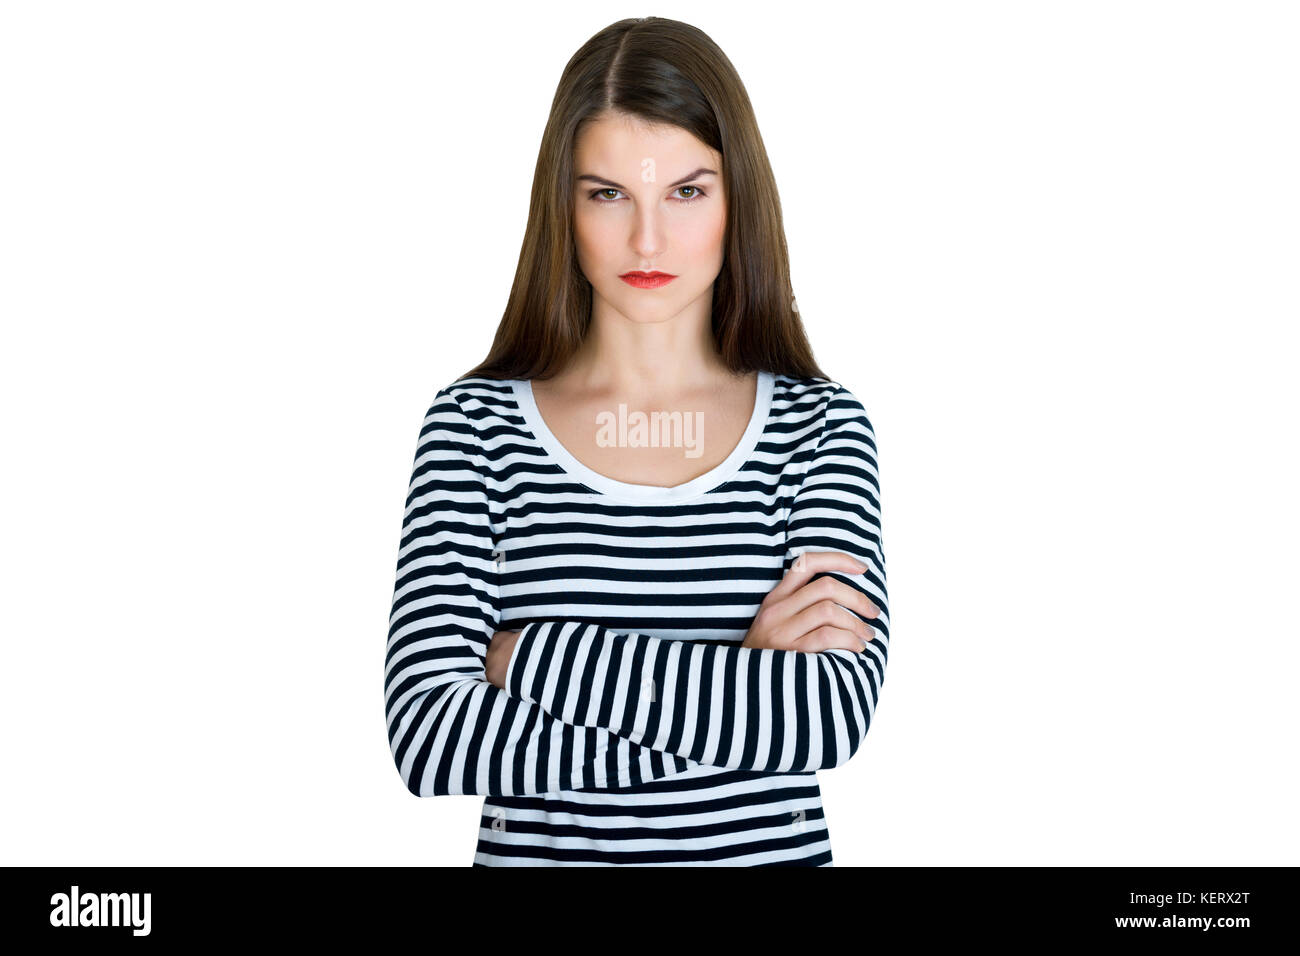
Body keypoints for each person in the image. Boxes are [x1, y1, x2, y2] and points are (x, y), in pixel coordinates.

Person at [383, 16, 889, 866]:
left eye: (686, 192)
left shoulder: (821, 428)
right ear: (563, 205)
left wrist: (533, 657)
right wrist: (740, 689)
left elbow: (825, 719)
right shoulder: (474, 430)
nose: (646, 241)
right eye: (607, 193)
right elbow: (432, 739)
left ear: (738, 200)